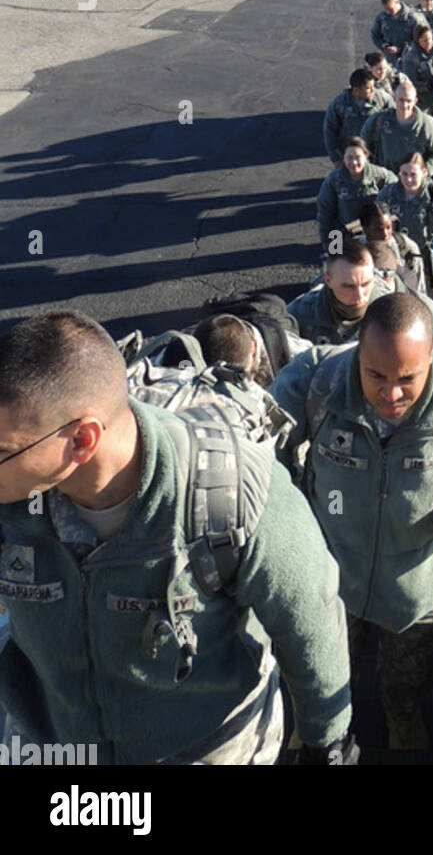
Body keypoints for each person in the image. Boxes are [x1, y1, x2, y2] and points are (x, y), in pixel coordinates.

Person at [0, 311, 354, 765]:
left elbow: (310, 622)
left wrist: (327, 743)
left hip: (205, 748)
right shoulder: (16, 499)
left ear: (82, 441)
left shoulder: (232, 493)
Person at [270, 293, 433, 750]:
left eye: (408, 378)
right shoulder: (317, 381)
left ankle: (400, 726)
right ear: (357, 353)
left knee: (406, 691)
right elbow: (262, 456)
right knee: (321, 686)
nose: (391, 394)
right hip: (332, 582)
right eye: (376, 375)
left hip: (417, 595)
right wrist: (293, 519)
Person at [287, 239, 433, 345]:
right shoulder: (300, 313)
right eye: (348, 286)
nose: (359, 295)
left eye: (366, 283)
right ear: (328, 280)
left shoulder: (402, 307)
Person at [377, 153, 433, 303]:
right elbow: (375, 223)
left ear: (424, 172)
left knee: (431, 306)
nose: (408, 179)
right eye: (404, 174)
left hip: (428, 263)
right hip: (399, 261)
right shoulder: (388, 195)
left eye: (413, 174)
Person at [360, 78, 433, 179]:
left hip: (414, 183)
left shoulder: (426, 124)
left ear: (415, 101)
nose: (404, 105)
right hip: (385, 183)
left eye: (408, 101)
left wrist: (427, 170)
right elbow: (362, 146)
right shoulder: (379, 120)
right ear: (394, 99)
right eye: (401, 100)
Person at [316, 138, 396, 251]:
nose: (354, 162)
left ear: (366, 156)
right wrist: (333, 248)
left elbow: (398, 197)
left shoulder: (381, 176)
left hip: (378, 238)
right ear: (343, 157)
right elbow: (326, 216)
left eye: (358, 157)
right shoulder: (334, 181)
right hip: (349, 239)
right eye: (349, 158)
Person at [323, 67, 390, 164]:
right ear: (356, 90)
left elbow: (394, 115)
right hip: (350, 154)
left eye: (373, 87)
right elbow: (330, 130)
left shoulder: (382, 99)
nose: (373, 91)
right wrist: (335, 158)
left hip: (375, 154)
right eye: (368, 88)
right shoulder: (339, 104)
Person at [359, 199, 427, 296]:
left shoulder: (406, 249)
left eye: (388, 227)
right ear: (365, 229)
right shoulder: (356, 252)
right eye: (378, 230)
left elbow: (418, 289)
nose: (385, 234)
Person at [370, 0, 421, 64]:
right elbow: (375, 35)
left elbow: (422, 40)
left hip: (410, 62)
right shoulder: (382, 17)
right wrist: (384, 45)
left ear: (397, 2)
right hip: (390, 62)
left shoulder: (414, 18)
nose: (388, 12)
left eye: (390, 9)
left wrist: (401, 49)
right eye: (386, 9)